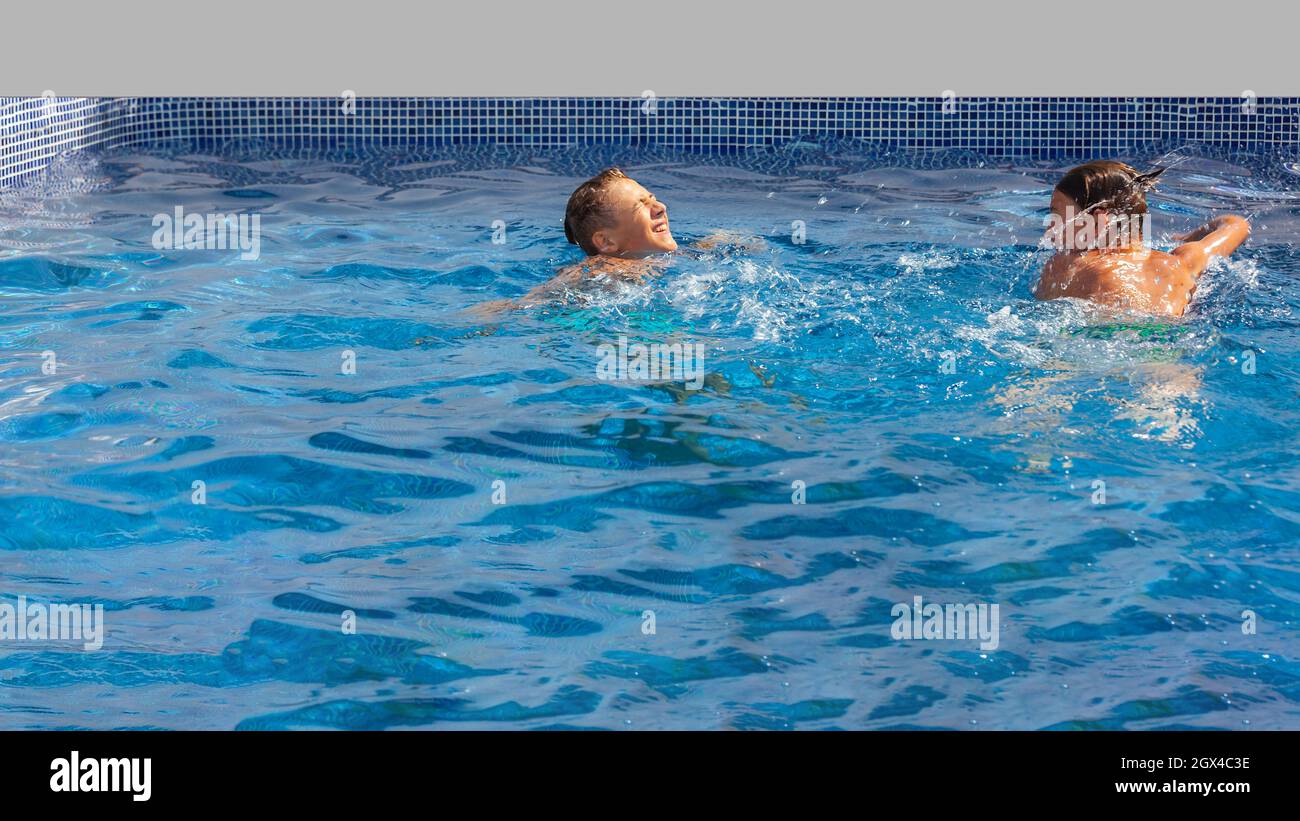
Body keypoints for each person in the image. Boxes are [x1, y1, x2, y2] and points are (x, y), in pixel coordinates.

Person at [1035, 160, 1249, 317]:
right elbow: (1237, 224)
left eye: (1057, 215)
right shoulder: (1183, 261)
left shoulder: (1067, 266)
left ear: (1100, 220)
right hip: (1174, 359)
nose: (1050, 227)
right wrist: (1189, 237)